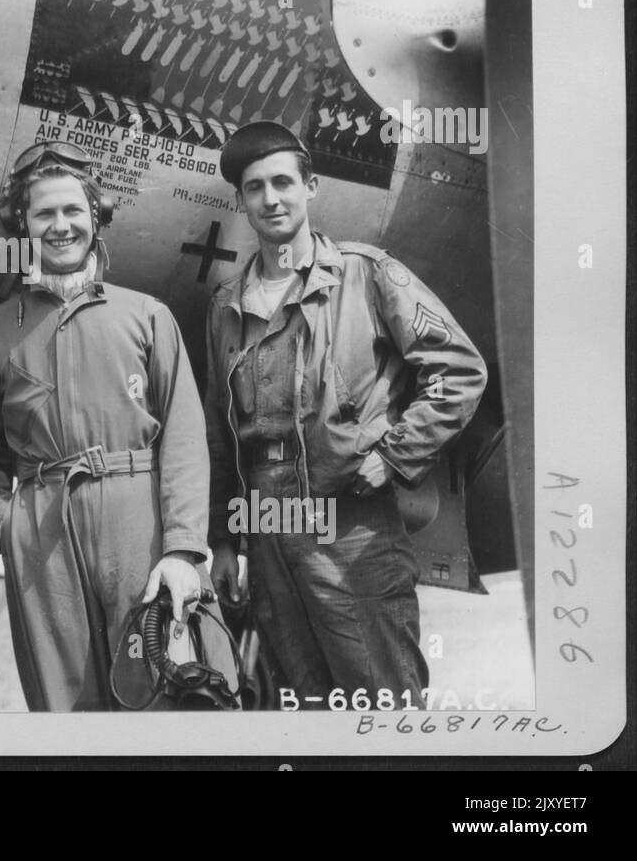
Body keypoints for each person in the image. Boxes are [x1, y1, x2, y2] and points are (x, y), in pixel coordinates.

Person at [203, 121, 487, 709]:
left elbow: (459, 370)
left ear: (311, 187)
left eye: (284, 182)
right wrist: (224, 541)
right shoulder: (225, 307)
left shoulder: (366, 274)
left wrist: (396, 455)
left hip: (351, 523)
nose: (271, 198)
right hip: (264, 530)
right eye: (255, 188)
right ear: (241, 201)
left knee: (382, 703)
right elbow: (220, 432)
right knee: (301, 704)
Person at [0, 141, 212, 711]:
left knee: (159, 692)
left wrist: (184, 549)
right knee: (64, 707)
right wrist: (7, 522)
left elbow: (185, 437)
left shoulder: (147, 315)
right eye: (44, 213)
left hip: (137, 519)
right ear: (23, 223)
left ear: (95, 216)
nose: (60, 226)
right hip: (42, 528)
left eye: (73, 211)